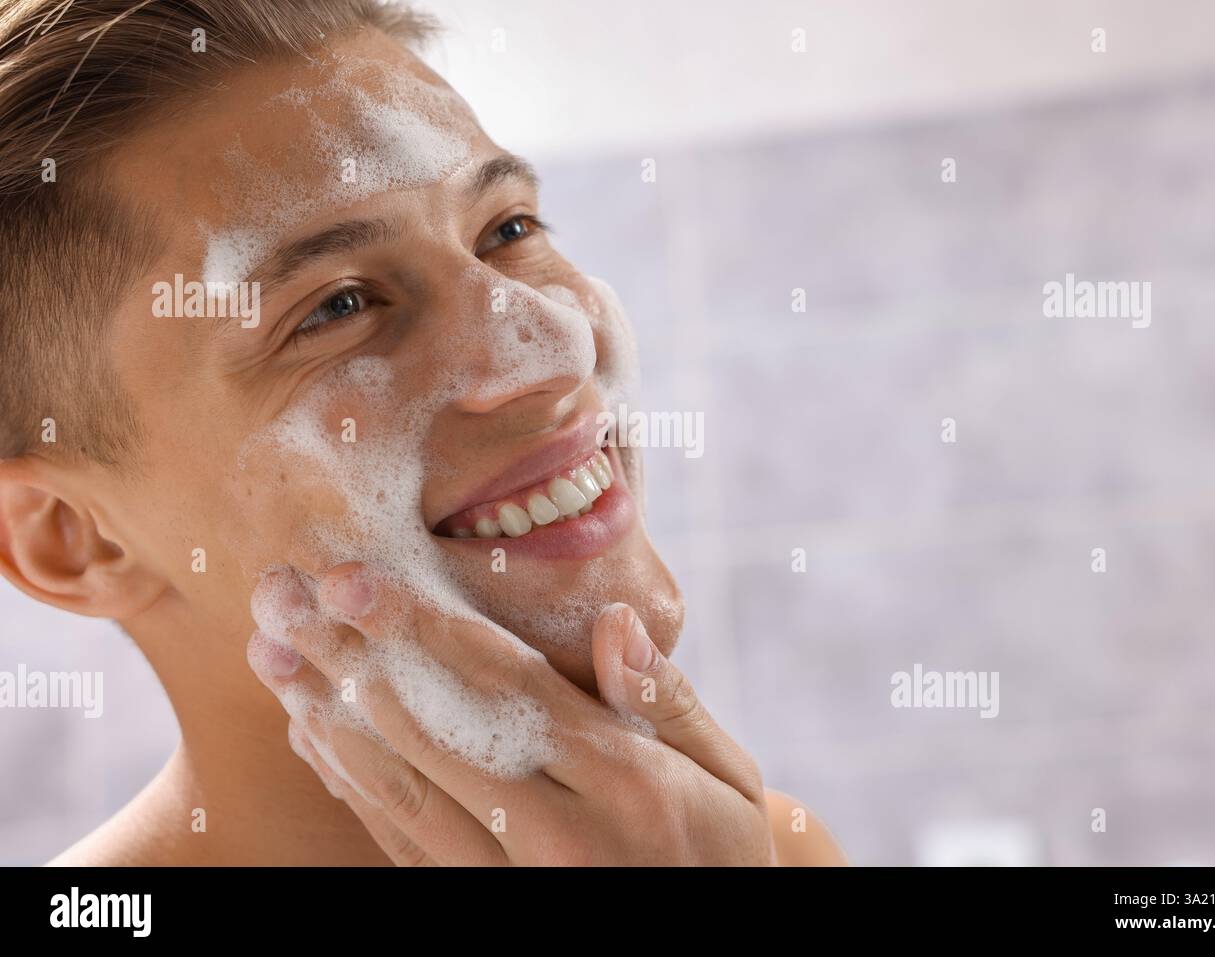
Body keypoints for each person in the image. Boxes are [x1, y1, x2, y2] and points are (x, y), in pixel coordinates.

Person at [0, 0, 846, 866]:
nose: (556, 344)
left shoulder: (754, 850)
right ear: (73, 539)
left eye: (507, 231)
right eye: (336, 307)